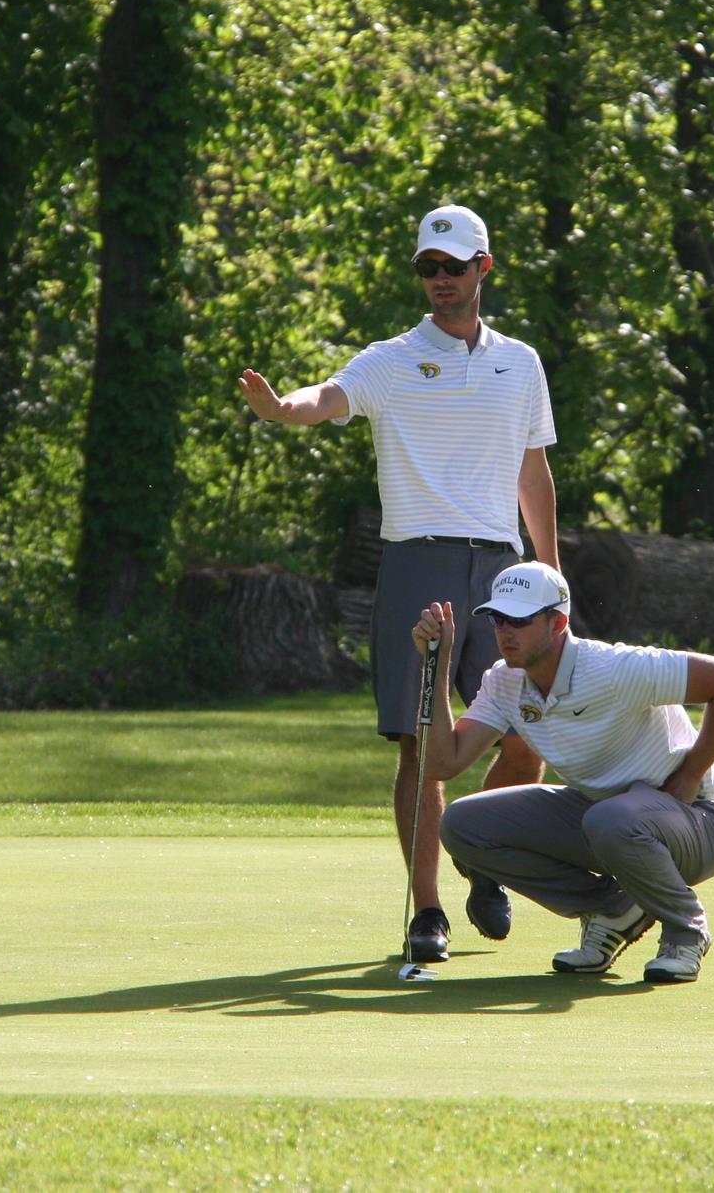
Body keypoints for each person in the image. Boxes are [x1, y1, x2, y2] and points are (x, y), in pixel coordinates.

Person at [238, 204, 558, 964]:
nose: (439, 280)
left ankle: (481, 854)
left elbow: (533, 469)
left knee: (530, 730)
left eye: (453, 267)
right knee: (421, 743)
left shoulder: (523, 362)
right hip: (420, 564)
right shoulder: (390, 357)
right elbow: (328, 397)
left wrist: (552, 572)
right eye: (427, 268)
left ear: (484, 267)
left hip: (509, 573)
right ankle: (427, 911)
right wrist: (283, 409)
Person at [409, 562, 714, 984]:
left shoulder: (614, 668)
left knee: (610, 818)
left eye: (520, 619)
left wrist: (690, 774)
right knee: (464, 824)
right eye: (498, 618)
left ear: (557, 622)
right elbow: (442, 764)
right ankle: (611, 911)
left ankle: (686, 930)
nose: (505, 631)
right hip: (607, 820)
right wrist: (437, 664)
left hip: (698, 822)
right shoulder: (504, 682)